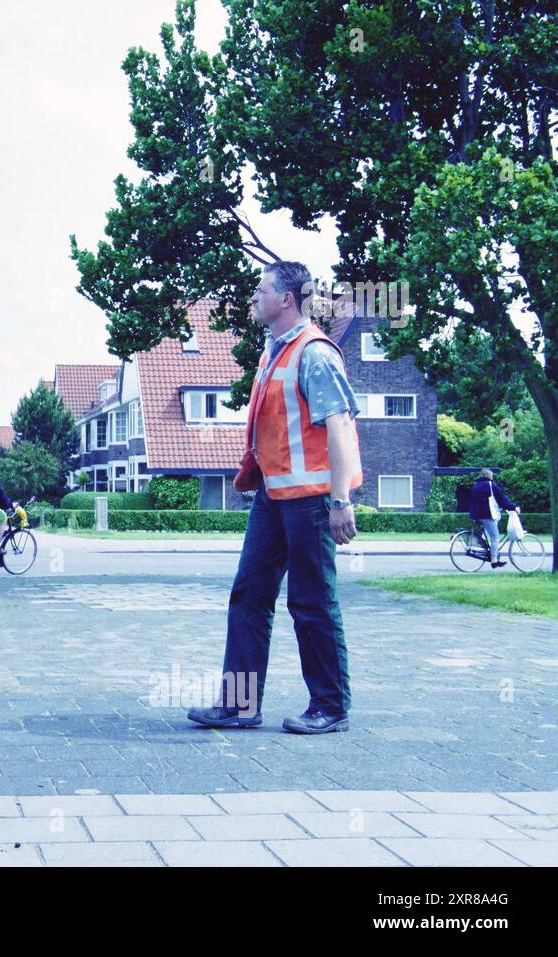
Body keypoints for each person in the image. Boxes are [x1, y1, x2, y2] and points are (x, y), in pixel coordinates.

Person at [187, 260, 363, 735]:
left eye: (261, 289)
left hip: (310, 501)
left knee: (311, 602)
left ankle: (330, 707)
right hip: (272, 496)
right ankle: (240, 705)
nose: (253, 297)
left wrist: (340, 500)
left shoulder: (314, 353)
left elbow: (340, 427)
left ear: (287, 299)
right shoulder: (273, 351)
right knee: (249, 595)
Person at [470, 468, 518, 568]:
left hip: (477, 514)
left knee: (490, 534)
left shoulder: (476, 485)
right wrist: (513, 507)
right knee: (495, 536)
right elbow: (501, 498)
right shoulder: (491, 485)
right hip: (487, 514)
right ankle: (494, 561)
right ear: (489, 476)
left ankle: (487, 548)